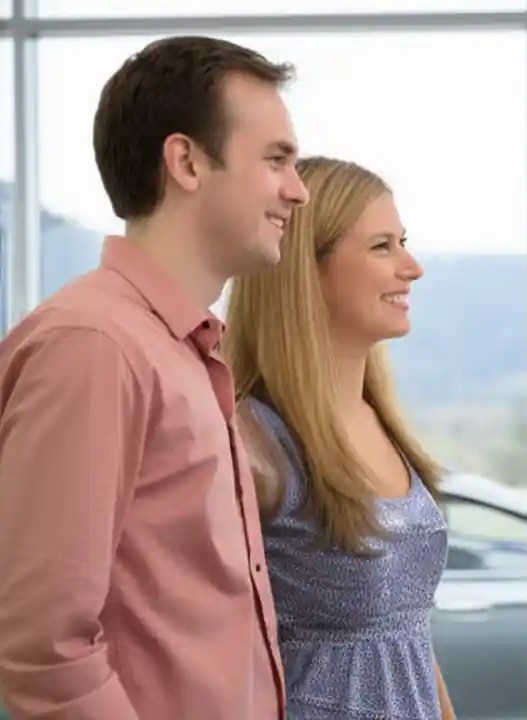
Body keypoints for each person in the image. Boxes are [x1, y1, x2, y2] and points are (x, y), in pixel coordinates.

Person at [0, 36, 309, 719]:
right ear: (187, 162)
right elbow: (42, 649)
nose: (299, 189)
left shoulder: (181, 350)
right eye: (277, 160)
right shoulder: (93, 348)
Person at [223, 156, 456, 720]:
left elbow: (411, 642)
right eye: (383, 247)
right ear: (308, 268)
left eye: (403, 241)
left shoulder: (380, 422)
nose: (413, 266)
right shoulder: (252, 443)